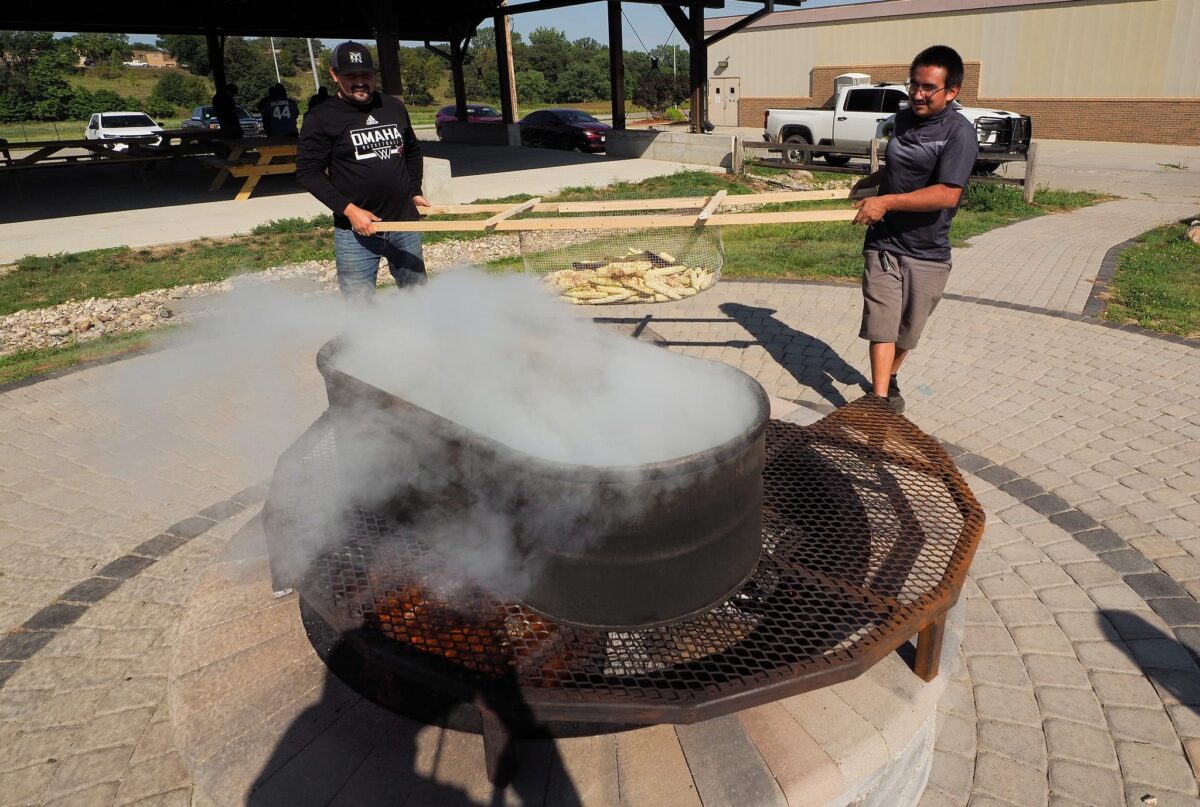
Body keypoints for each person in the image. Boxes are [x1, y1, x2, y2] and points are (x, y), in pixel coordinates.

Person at [850, 45, 978, 414]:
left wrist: (886, 201)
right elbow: (898, 167)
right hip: (885, 240)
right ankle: (877, 403)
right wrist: (873, 184)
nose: (917, 94)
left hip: (928, 249)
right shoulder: (903, 119)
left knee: (908, 331)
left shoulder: (959, 133)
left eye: (927, 88)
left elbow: (947, 193)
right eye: (913, 85)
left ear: (951, 91)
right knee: (882, 324)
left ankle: (888, 378)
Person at [296, 42, 428, 299]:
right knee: (359, 306)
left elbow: (412, 150)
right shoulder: (321, 116)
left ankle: (419, 339)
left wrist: (414, 190)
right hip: (355, 231)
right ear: (334, 75)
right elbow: (307, 172)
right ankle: (367, 340)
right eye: (351, 76)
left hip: (404, 222)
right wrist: (351, 211)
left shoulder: (392, 106)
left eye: (365, 75)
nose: (360, 82)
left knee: (417, 297)